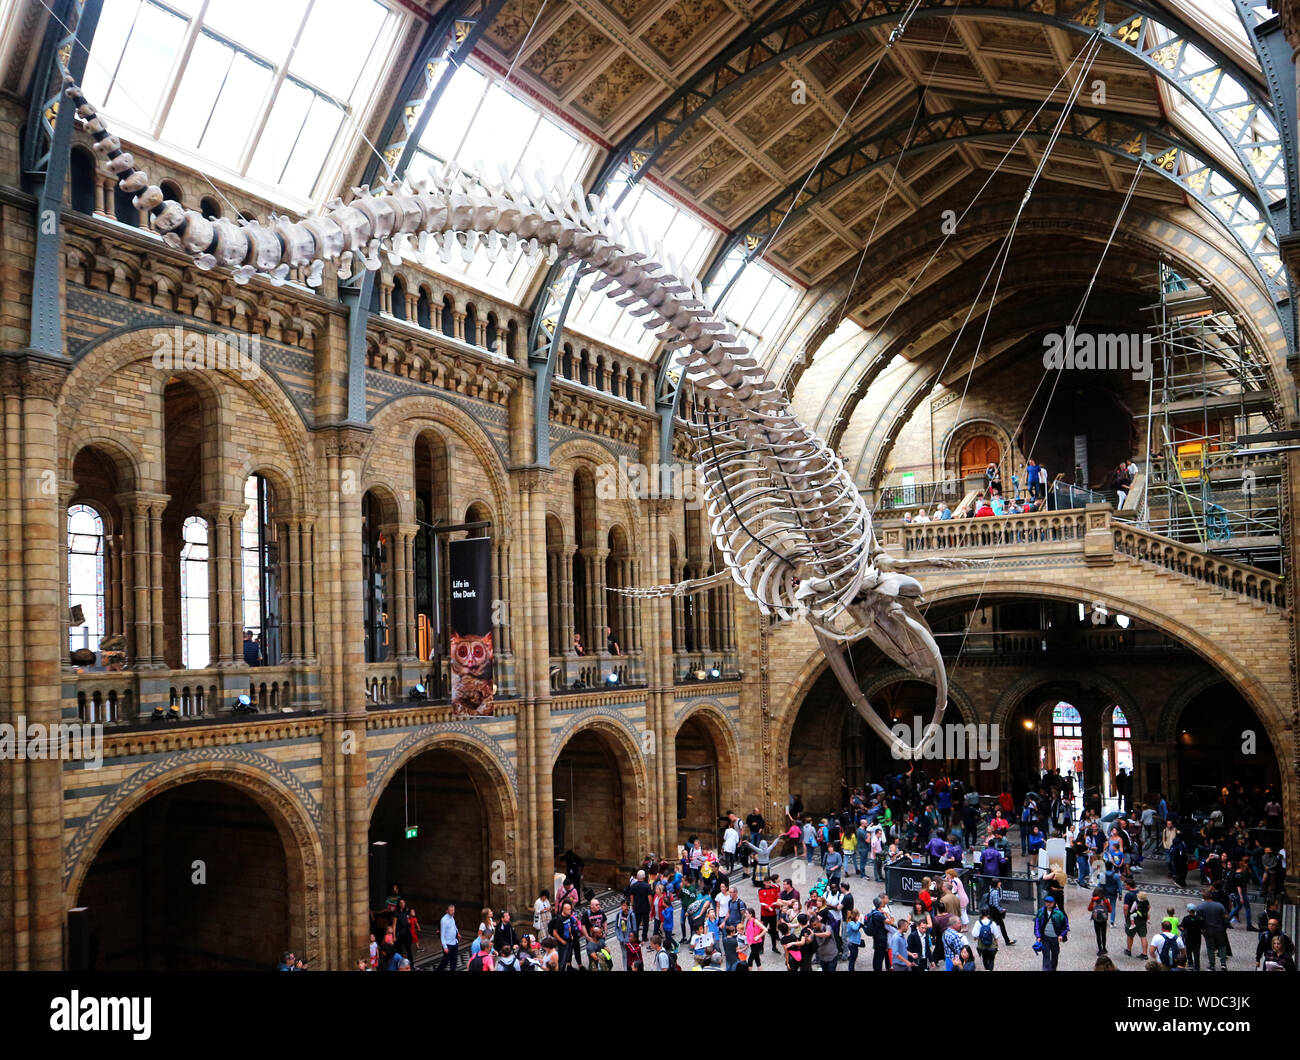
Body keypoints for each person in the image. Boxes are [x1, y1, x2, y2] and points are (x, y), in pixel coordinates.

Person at [1194, 889, 1231, 971]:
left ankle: (1212, 965)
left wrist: (1202, 929)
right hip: (1220, 929)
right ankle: (1223, 964)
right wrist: (1224, 925)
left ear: (1203, 897)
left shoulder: (1200, 907)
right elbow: (1227, 917)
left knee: (1210, 947)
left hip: (1207, 930)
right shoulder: (1219, 905)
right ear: (1211, 896)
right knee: (1222, 946)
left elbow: (1198, 920)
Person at [1034, 893, 1069, 971]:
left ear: (1054, 903)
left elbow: (1065, 926)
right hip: (1045, 938)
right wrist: (1038, 936)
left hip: (1055, 939)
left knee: (1055, 956)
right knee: (1046, 955)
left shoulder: (1059, 914)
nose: (1048, 904)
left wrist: (1061, 935)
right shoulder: (1041, 912)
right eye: (1047, 902)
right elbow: (1037, 925)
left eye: (1050, 902)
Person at [1180, 902, 1204, 971]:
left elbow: (1182, 927)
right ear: (1195, 911)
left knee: (1188, 951)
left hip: (1188, 938)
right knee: (1196, 952)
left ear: (1188, 910)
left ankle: (1190, 964)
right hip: (1197, 939)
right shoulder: (1199, 919)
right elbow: (1203, 929)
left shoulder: (1186, 918)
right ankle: (1197, 967)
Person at [437, 905, 460, 971]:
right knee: (445, 961)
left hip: (454, 942)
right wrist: (445, 946)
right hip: (448, 944)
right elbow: (442, 934)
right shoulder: (443, 920)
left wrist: (457, 933)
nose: (453, 912)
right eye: (451, 910)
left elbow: (454, 926)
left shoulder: (452, 917)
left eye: (454, 910)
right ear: (447, 911)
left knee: (454, 961)